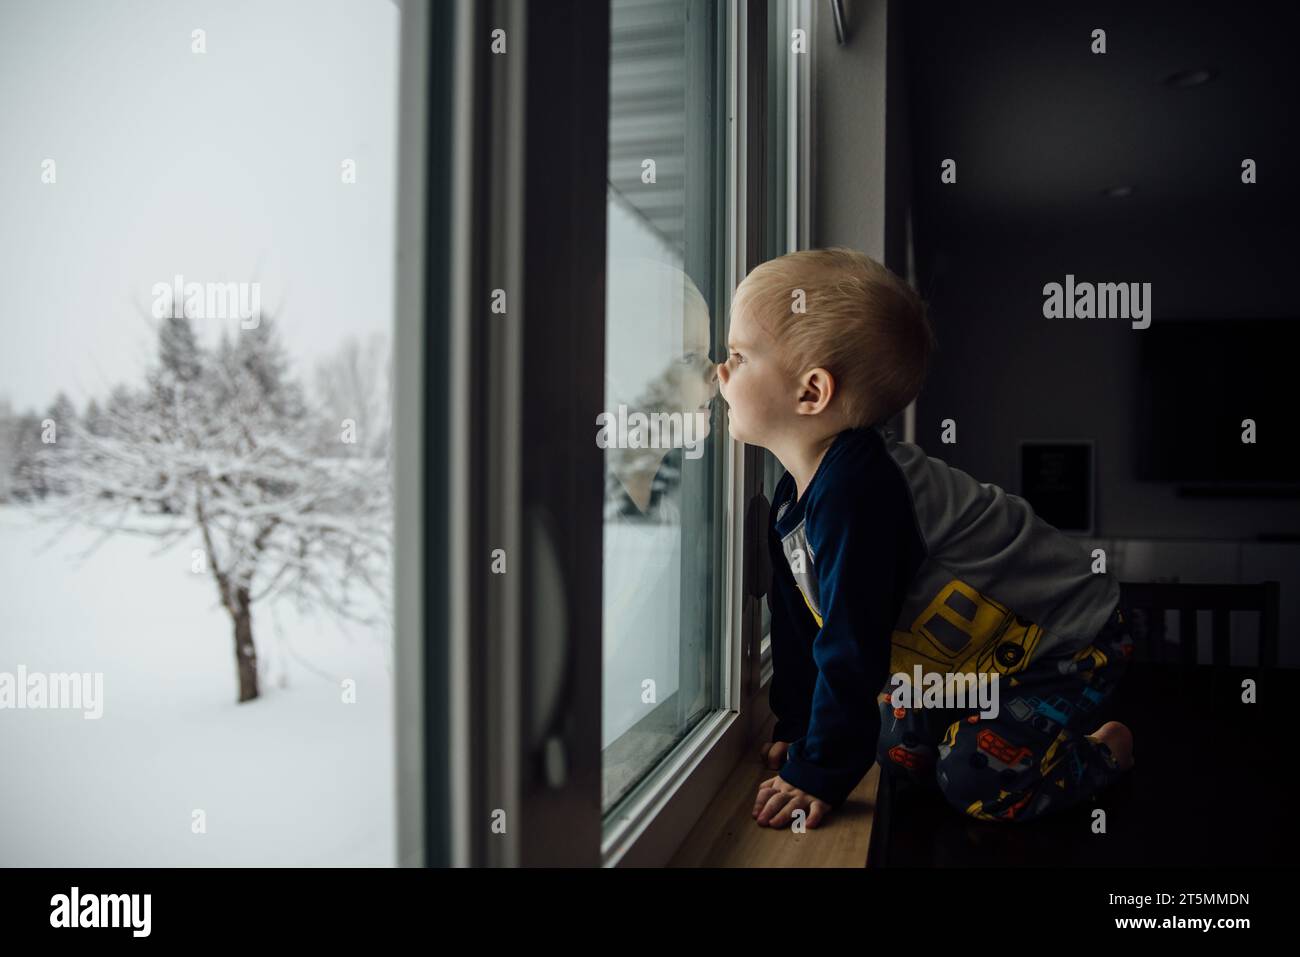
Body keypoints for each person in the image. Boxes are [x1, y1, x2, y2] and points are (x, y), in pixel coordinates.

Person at [715, 247, 1134, 829]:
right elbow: (798, 631)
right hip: (967, 661)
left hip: (1066, 642)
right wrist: (800, 732)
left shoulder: (859, 490)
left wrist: (821, 774)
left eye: (738, 355)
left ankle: (1104, 751)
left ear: (811, 392)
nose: (721, 371)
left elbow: (850, 646)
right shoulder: (793, 500)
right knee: (899, 754)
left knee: (974, 784)